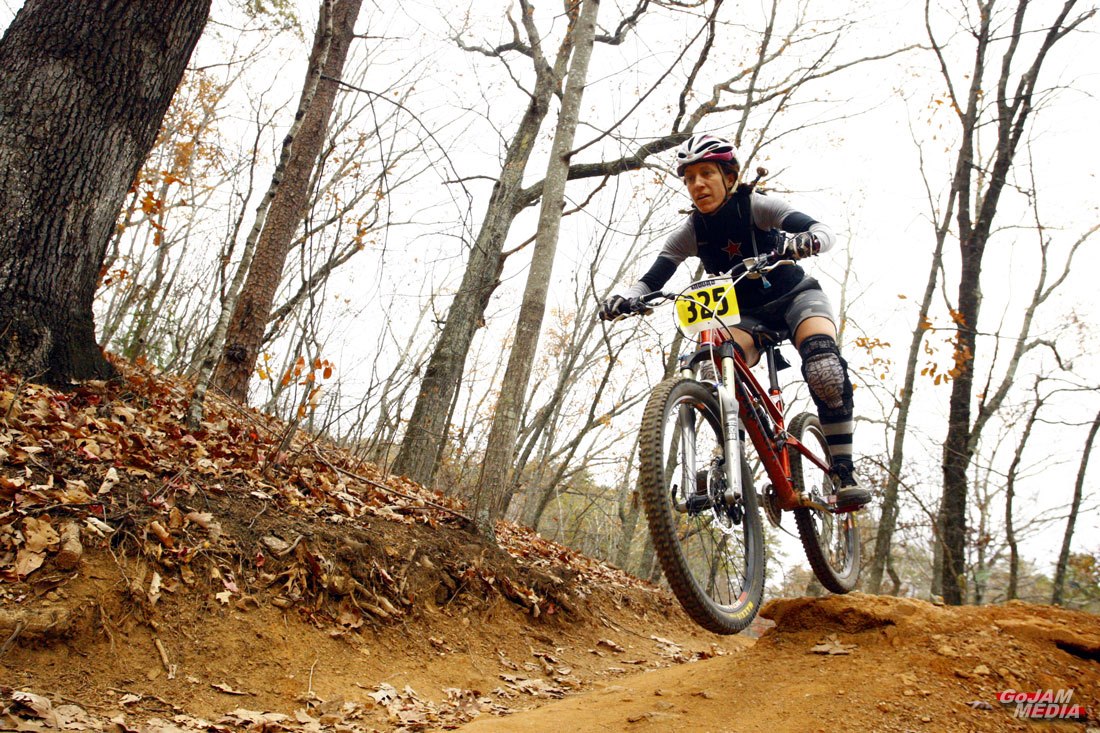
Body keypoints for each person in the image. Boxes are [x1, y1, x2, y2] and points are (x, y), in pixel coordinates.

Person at [599, 134, 871, 510]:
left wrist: (806, 242)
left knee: (824, 369)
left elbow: (823, 230)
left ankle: (843, 471)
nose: (697, 184)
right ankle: (726, 459)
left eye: (706, 173)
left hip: (797, 298)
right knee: (713, 364)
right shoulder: (692, 231)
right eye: (689, 178)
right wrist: (626, 297)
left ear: (729, 176)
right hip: (746, 316)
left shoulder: (756, 206)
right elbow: (651, 278)